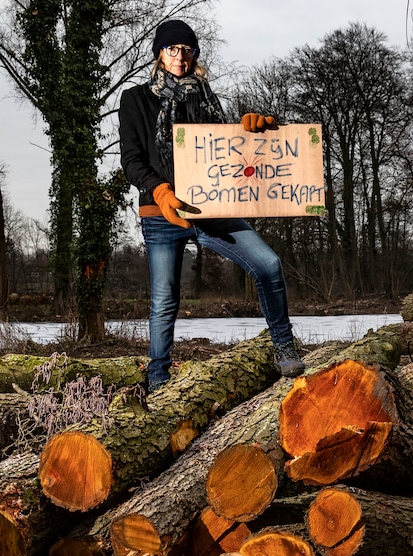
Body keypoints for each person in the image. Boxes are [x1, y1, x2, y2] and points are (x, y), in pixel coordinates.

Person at [118, 19, 305, 391]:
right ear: (159, 53)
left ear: (195, 55)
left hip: (211, 208)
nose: (180, 57)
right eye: (172, 49)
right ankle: (158, 379)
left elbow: (225, 149)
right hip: (163, 212)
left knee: (268, 263)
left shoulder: (204, 99)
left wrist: (253, 133)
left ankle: (284, 347)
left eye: (187, 50)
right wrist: (159, 191)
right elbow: (132, 160)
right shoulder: (136, 99)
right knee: (164, 299)